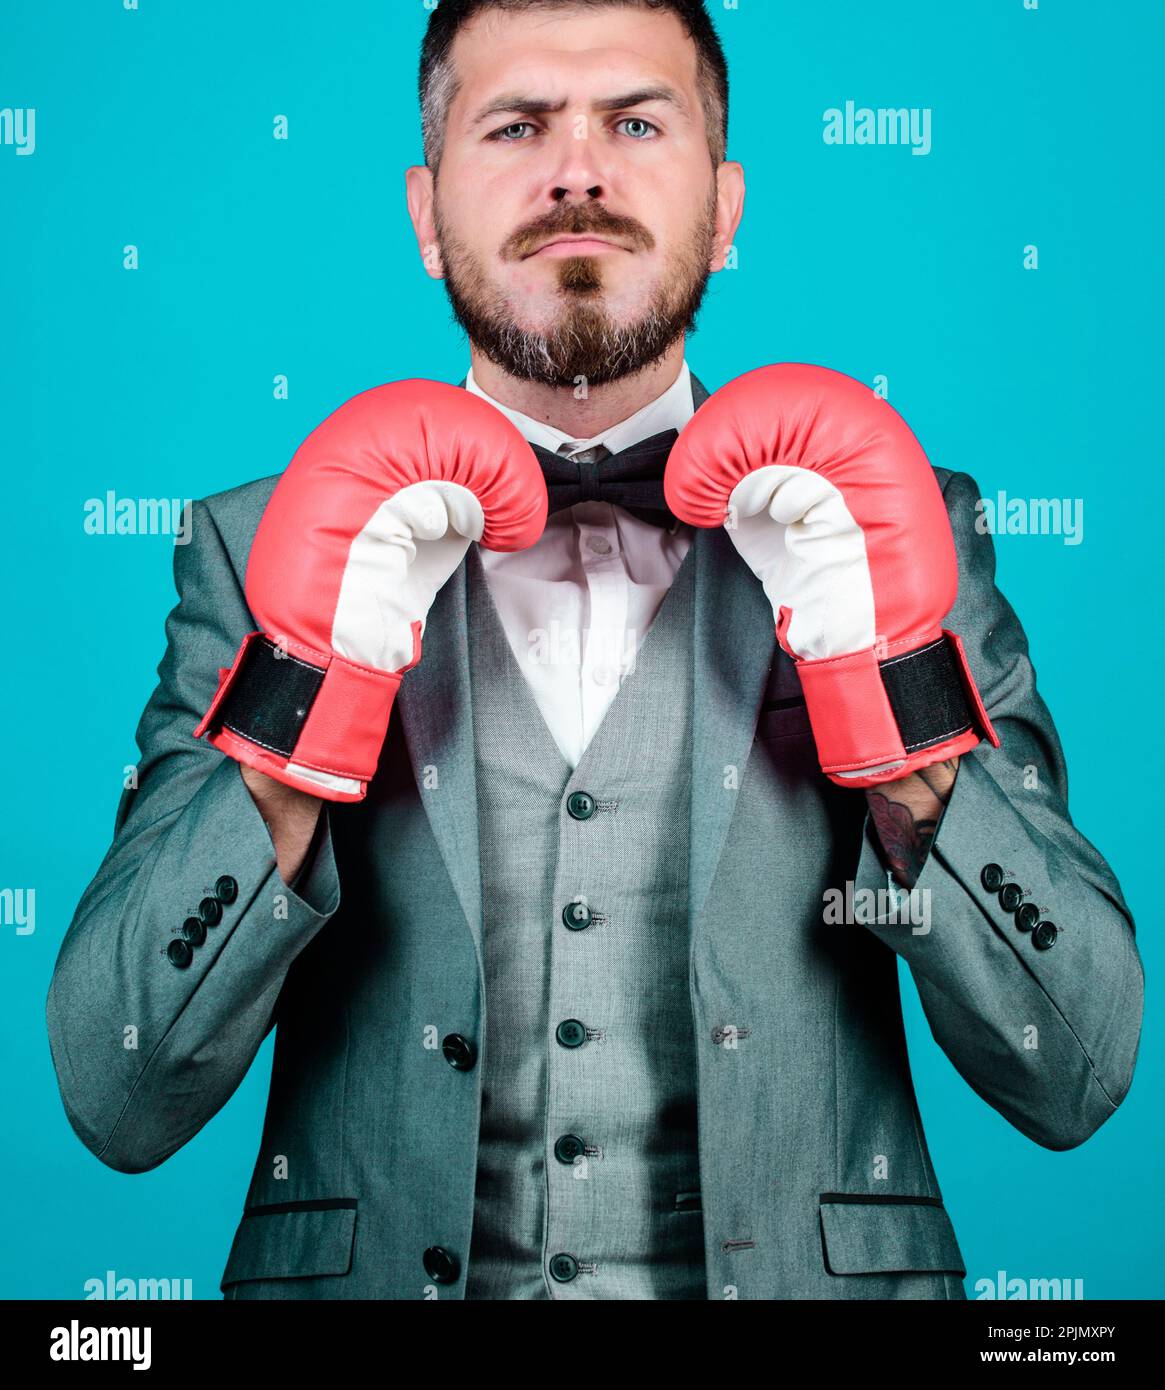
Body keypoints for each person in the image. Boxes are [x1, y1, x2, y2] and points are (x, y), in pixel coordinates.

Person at [46, 0, 1142, 1301]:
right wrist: (300, 714)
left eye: (634, 120)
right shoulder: (251, 542)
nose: (577, 168)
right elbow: (117, 1094)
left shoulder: (903, 518)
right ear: (423, 208)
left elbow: (1073, 1064)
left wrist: (894, 711)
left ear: (725, 206)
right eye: (516, 124)